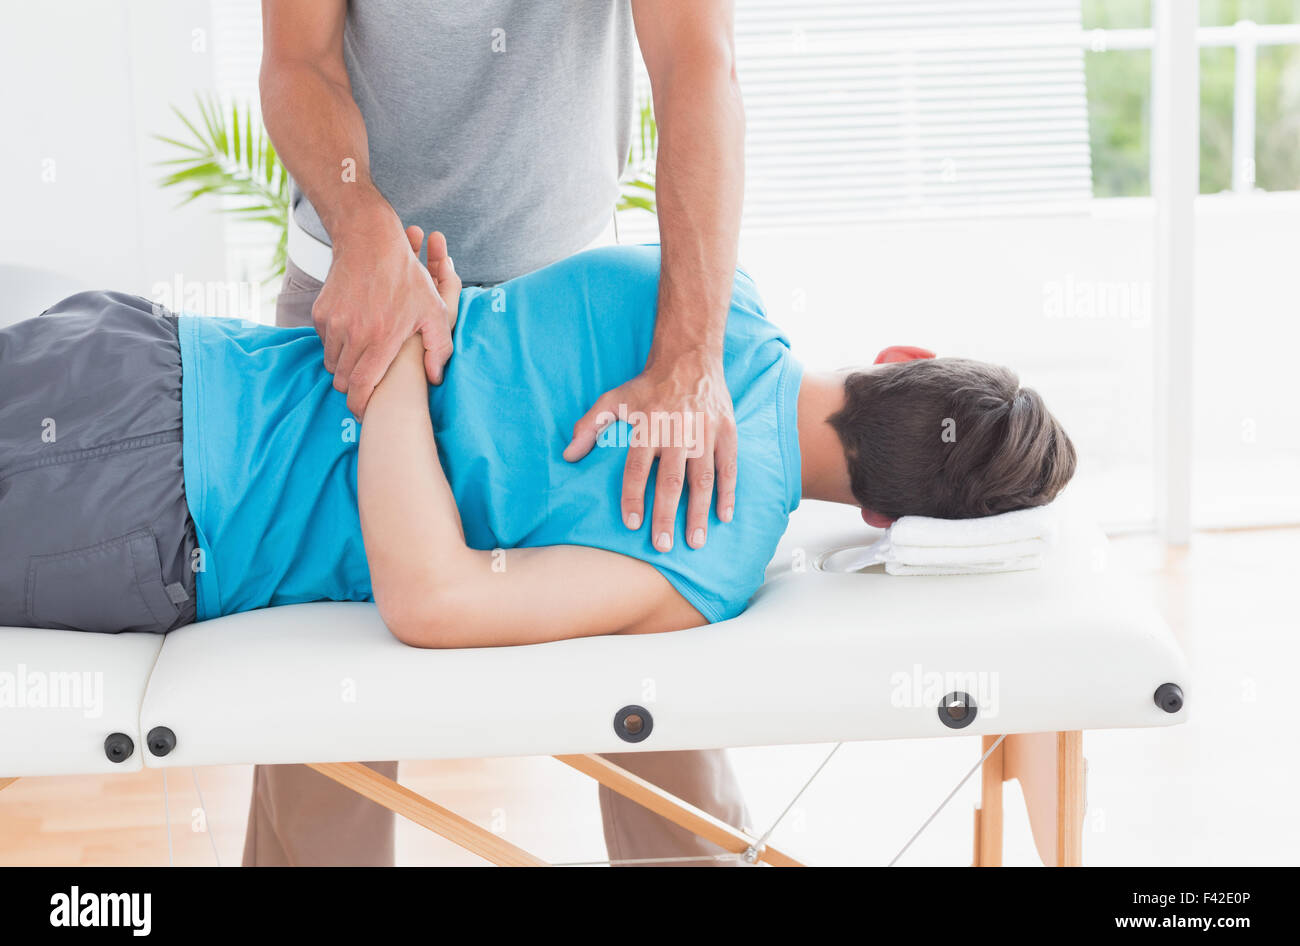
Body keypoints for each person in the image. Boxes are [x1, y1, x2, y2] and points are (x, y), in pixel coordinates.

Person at [0, 236, 1077, 664]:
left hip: (141, 354)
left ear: (903, 355)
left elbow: (462, 353)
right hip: (155, 510)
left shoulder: (693, 284)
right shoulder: (708, 565)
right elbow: (434, 598)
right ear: (891, 517)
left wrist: (395, 343)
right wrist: (397, 352)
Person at [254, 0, 747, 865]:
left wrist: (690, 356)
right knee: (320, 723)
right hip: (361, 303)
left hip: (573, 322)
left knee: (662, 721)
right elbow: (300, 58)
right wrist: (362, 222)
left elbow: (696, 64)